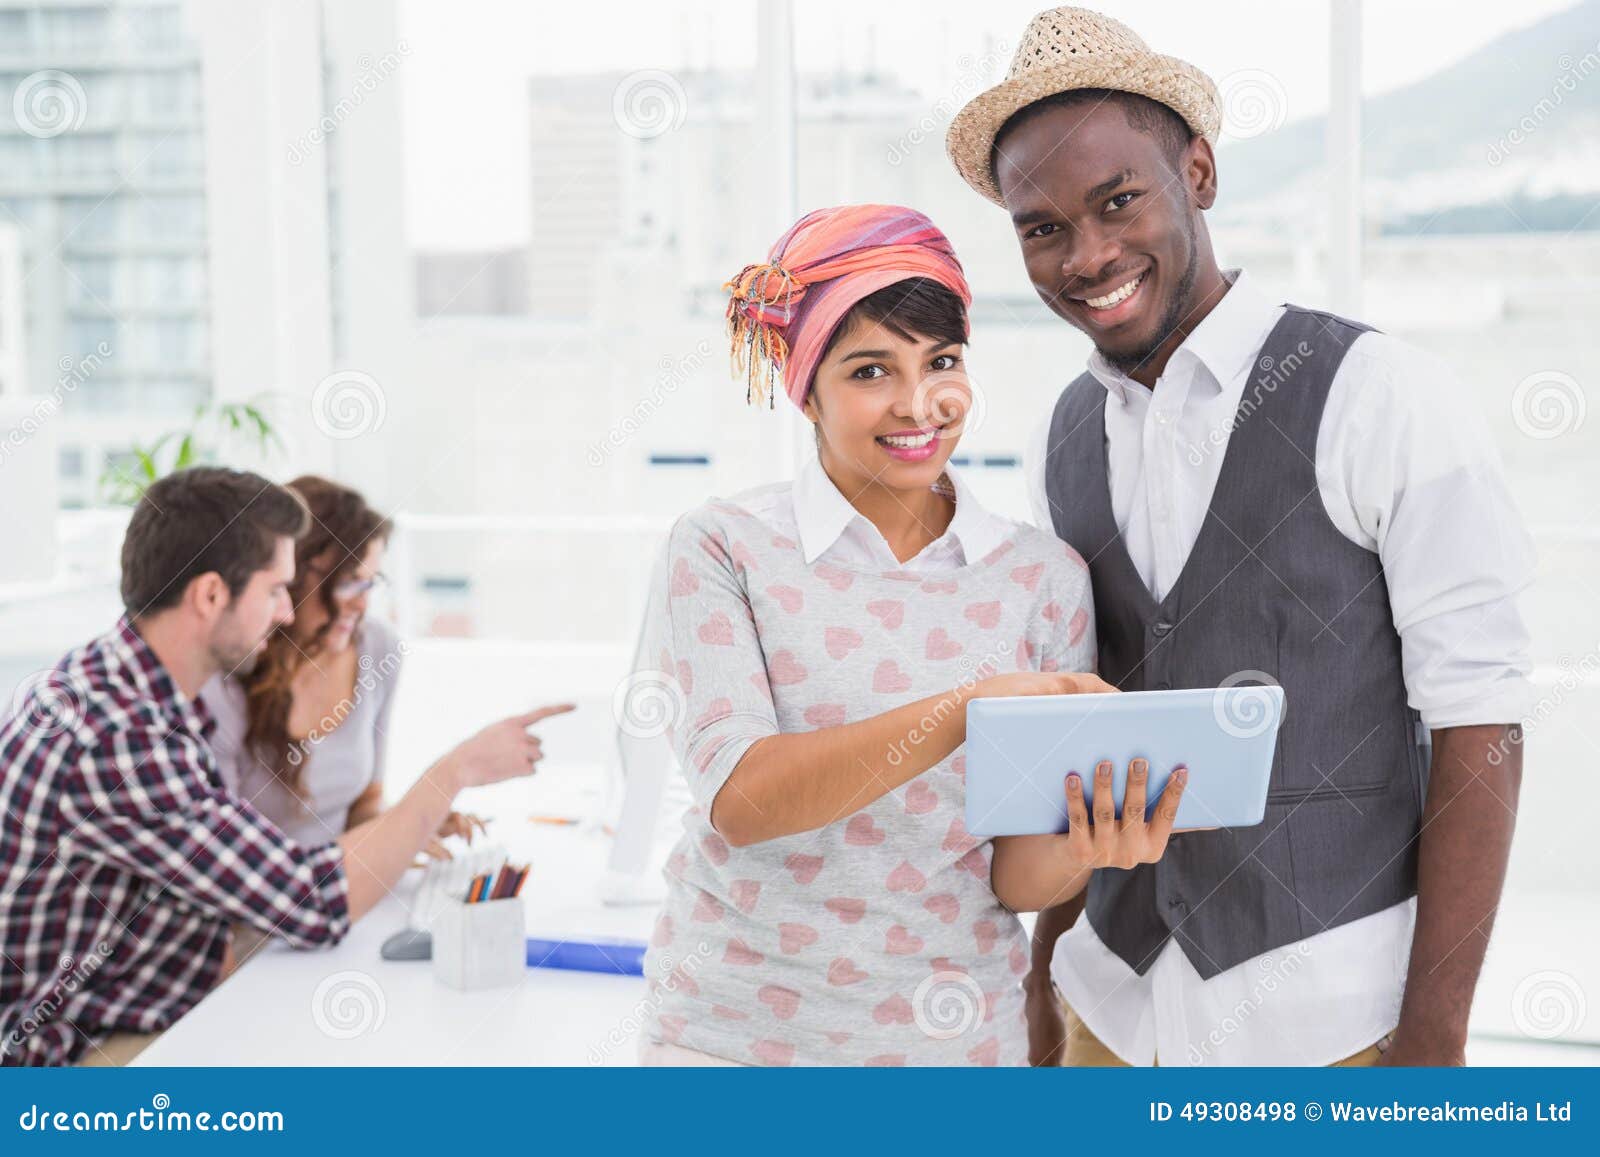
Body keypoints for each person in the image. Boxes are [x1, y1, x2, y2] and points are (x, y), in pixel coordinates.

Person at [945, 6, 1534, 1066]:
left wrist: (1435, 1037)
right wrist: (1042, 976)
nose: (1087, 254)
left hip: (1335, 1022)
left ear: (1199, 174)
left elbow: (1480, 720)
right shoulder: (1066, 433)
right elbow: (1078, 737)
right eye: (1042, 226)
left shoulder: (1377, 391)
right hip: (1108, 1008)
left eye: (1117, 200)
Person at [637, 203, 1186, 1067]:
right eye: (869, 371)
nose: (918, 403)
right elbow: (743, 801)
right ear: (804, 383)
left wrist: (1088, 845)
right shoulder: (724, 547)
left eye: (942, 361)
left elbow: (1013, 876)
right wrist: (968, 707)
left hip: (956, 1047)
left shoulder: (1041, 577)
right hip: (732, 1042)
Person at [0, 467, 572, 1066]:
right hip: (63, 1058)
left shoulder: (127, 683)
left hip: (154, 995)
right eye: (275, 591)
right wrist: (453, 772)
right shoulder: (124, 738)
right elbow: (313, 904)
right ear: (211, 595)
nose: (283, 614)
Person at [201, 476, 481, 858]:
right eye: (349, 583)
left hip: (339, 892)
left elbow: (363, 808)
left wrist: (412, 823)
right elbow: (221, 856)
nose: (361, 606)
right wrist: (392, 838)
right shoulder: (229, 668)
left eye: (370, 584)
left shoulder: (377, 648)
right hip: (261, 900)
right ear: (291, 575)